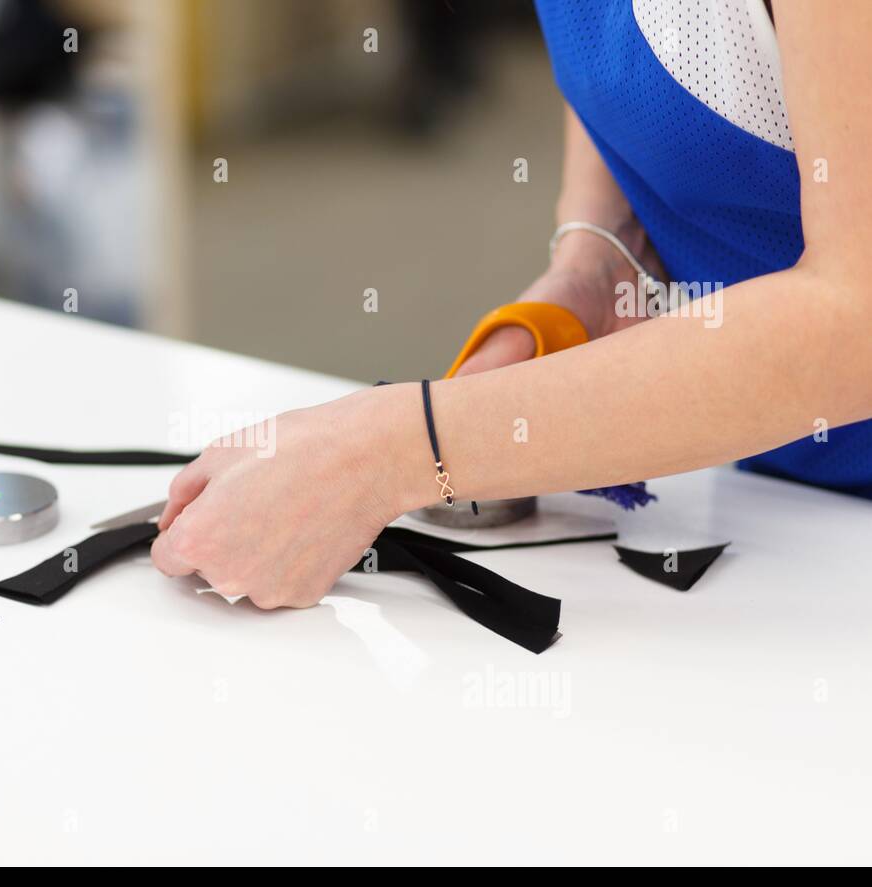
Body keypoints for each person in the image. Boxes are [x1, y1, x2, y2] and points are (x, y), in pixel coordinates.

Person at [151, 0, 872, 608]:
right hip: (791, 495)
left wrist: (390, 453)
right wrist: (597, 256)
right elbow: (613, 46)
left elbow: (856, 317)